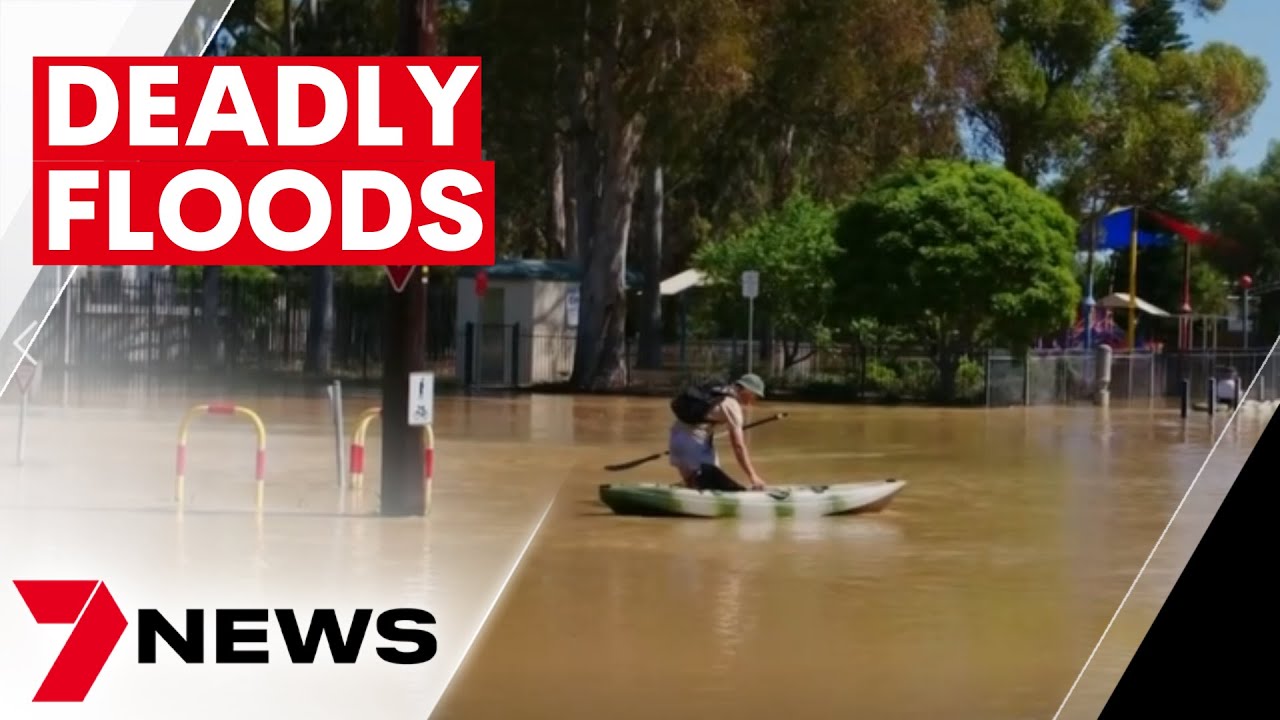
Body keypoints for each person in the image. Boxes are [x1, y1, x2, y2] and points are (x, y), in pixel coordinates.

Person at [667, 373, 767, 491]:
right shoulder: (732, 405)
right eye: (755, 395)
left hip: (677, 436)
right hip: (694, 442)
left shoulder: (718, 390)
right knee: (714, 486)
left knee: (694, 484)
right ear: (746, 390)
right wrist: (753, 476)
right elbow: (738, 446)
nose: (754, 400)